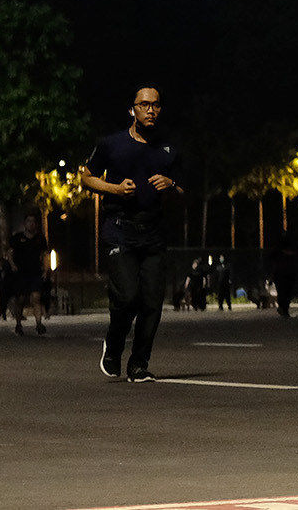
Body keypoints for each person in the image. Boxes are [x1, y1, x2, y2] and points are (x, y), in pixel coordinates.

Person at [79, 85, 184, 381]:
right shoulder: (112, 144)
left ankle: (138, 364)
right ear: (132, 109)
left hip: (153, 232)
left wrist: (171, 185)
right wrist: (115, 188)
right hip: (119, 228)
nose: (150, 110)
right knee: (128, 297)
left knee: (151, 303)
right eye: (144, 105)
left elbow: (183, 191)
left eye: (155, 105)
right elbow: (86, 178)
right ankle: (113, 346)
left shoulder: (168, 148)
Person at [8, 214, 49, 336]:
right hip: (21, 273)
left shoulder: (40, 239)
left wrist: (46, 270)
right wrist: (12, 265)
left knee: (36, 297)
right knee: (20, 299)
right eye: (28, 221)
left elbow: (45, 255)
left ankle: (38, 324)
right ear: (24, 224)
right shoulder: (17, 238)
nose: (31, 224)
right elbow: (10, 252)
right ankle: (18, 324)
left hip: (35, 272)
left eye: (33, 221)